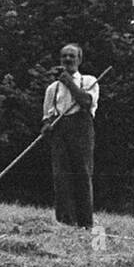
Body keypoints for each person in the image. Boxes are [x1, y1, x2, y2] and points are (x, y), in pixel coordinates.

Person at [41, 43, 100, 229]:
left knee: (82, 175)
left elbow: (85, 101)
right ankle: (65, 224)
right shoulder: (52, 89)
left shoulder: (90, 81)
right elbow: (47, 115)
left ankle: (86, 225)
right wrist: (47, 126)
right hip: (60, 132)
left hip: (81, 129)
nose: (67, 59)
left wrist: (69, 82)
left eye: (71, 56)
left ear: (79, 60)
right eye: (64, 56)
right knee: (61, 177)